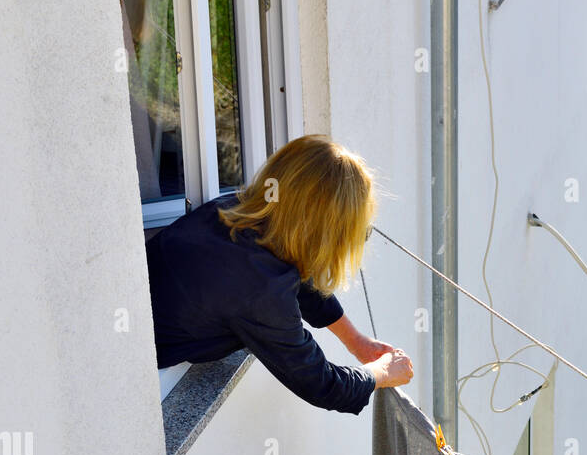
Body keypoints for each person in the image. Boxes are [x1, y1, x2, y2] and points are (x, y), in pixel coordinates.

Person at [145, 134, 413, 414]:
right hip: (127, 368)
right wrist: (379, 373)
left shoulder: (232, 211)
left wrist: (356, 341)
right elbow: (322, 384)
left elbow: (295, 273)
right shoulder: (259, 291)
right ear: (327, 232)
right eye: (356, 231)